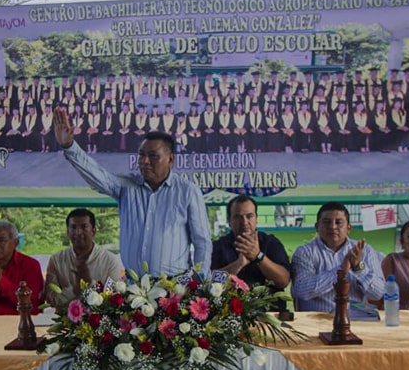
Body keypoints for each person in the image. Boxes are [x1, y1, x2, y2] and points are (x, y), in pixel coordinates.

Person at [52, 107, 212, 277]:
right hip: (133, 286)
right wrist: (69, 146)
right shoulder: (126, 187)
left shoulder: (187, 191)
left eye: (153, 156)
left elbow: (202, 242)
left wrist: (198, 281)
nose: (145, 161)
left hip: (175, 286)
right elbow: (96, 174)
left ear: (170, 159)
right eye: (141, 155)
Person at [292, 201, 385, 310]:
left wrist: (359, 267)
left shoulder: (364, 251)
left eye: (339, 222)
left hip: (354, 318)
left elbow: (378, 294)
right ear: (317, 227)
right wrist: (340, 271)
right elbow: (301, 291)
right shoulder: (305, 252)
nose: (332, 227)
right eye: (326, 222)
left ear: (349, 228)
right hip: (316, 318)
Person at [212, 195, 292, 310]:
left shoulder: (271, 243)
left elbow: (283, 281)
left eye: (249, 216)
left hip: (270, 313)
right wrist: (238, 264)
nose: (244, 222)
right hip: (230, 314)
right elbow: (210, 282)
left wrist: (258, 256)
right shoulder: (218, 246)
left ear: (256, 219)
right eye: (238, 217)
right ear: (229, 221)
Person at [44, 208, 124, 310]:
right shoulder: (56, 260)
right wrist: (74, 289)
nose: (78, 232)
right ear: (67, 232)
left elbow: (114, 299)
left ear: (93, 231)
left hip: (100, 319)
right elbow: (51, 299)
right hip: (64, 319)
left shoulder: (110, 261)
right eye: (73, 227)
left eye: (84, 227)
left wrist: (89, 284)